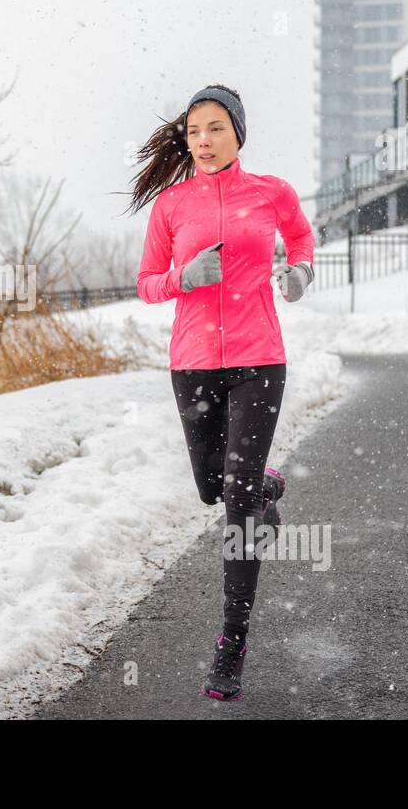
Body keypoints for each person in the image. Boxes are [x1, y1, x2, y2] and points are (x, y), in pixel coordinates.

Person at [128, 84, 316, 702]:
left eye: (214, 129)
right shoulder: (171, 206)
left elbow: (303, 242)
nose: (202, 142)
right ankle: (265, 489)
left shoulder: (272, 193)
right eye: (193, 132)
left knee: (234, 502)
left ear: (237, 131)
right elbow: (147, 283)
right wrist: (185, 277)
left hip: (259, 359)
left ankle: (231, 639)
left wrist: (299, 273)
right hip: (193, 365)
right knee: (215, 488)